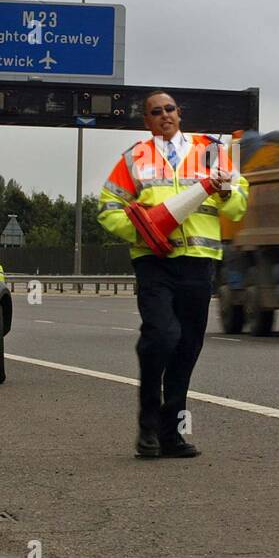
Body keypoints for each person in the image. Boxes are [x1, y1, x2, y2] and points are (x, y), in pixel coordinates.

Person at [98, 91, 249, 458]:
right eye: (155, 112)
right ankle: (148, 425)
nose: (164, 115)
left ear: (179, 114)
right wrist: (143, 231)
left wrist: (226, 190)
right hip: (154, 261)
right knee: (161, 336)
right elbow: (107, 208)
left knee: (186, 347)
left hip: (198, 261)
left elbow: (240, 206)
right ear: (146, 122)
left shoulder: (211, 150)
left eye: (169, 109)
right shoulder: (135, 158)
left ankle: (172, 434)